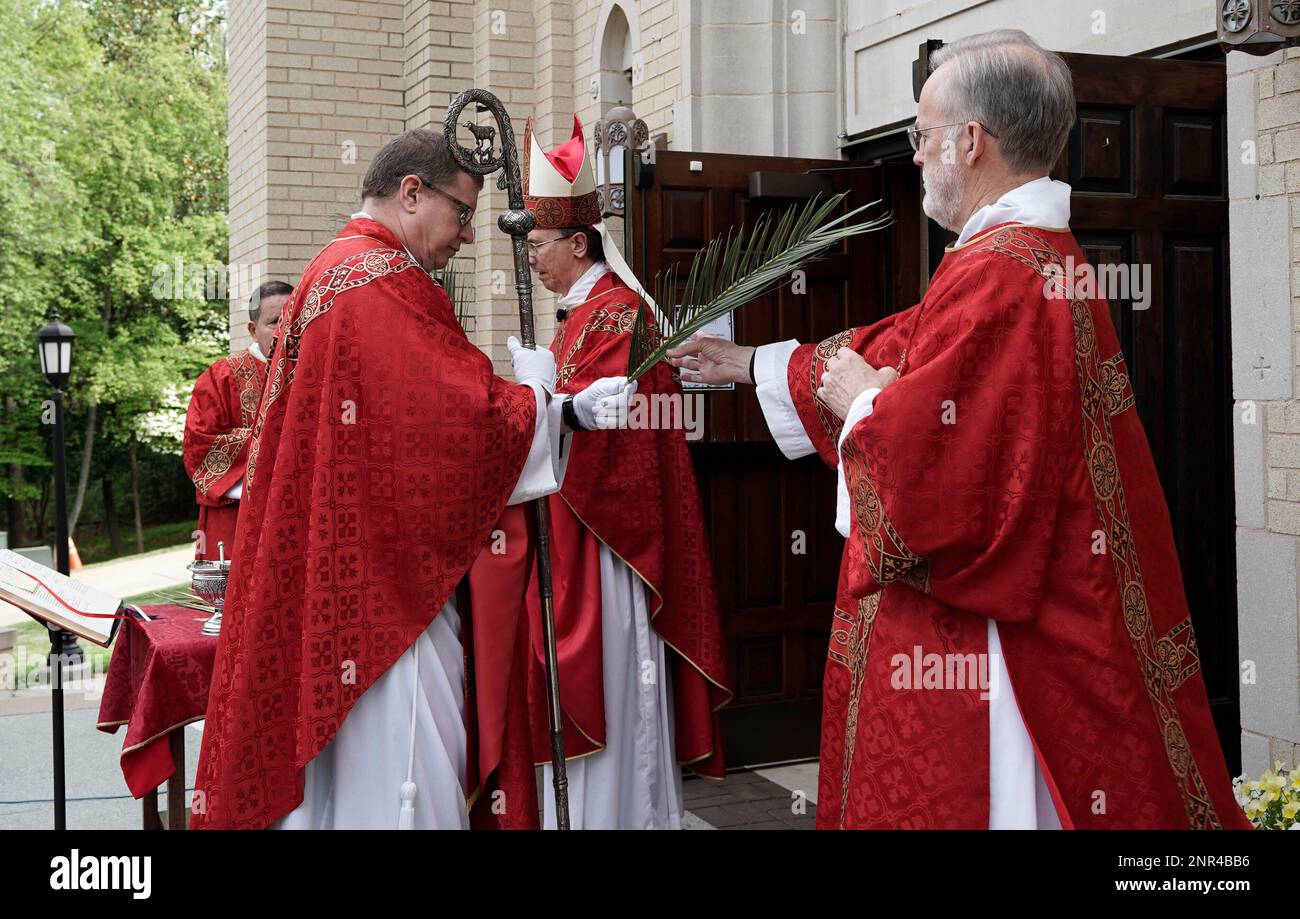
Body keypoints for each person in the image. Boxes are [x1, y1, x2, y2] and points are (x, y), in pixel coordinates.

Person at [669, 30, 1250, 830]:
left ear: (970, 141)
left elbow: (950, 476)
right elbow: (910, 346)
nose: (912, 155)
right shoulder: (1017, 255)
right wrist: (754, 364)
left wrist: (870, 406)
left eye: (920, 135)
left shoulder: (1004, 269)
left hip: (1002, 642)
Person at [191, 129, 630, 830]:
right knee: (403, 772)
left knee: (348, 777)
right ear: (412, 192)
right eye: (461, 212)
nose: (465, 235)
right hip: (382, 592)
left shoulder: (332, 270)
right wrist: (540, 401)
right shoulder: (382, 282)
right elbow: (458, 425)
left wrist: (545, 406)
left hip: (341, 574)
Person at [522, 117, 730, 829]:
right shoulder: (582, 314)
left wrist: (541, 411)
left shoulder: (615, 314)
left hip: (607, 543)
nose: (530, 260)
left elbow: (616, 440)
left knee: (613, 689)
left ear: (579, 243)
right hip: (575, 533)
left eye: (538, 245)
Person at [181, 281, 289, 561]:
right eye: (274, 321)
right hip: (236, 517)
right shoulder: (221, 378)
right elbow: (199, 446)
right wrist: (279, 440)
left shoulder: (314, 375)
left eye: (293, 320)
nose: (285, 331)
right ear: (253, 330)